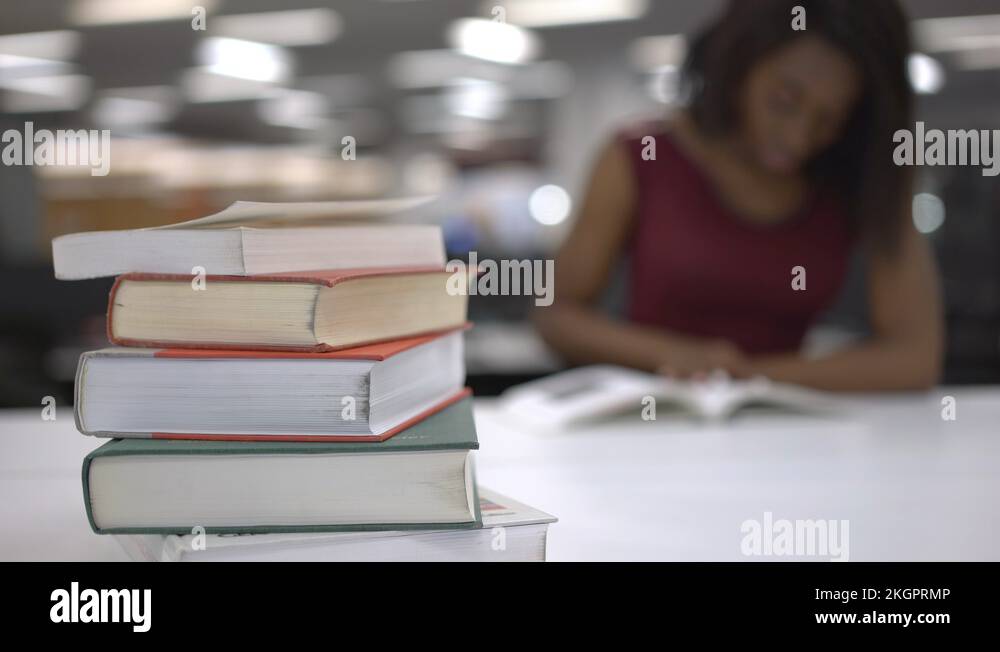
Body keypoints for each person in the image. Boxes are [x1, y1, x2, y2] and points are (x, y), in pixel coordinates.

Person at [535, 0, 943, 392]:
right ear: (740, 63)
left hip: (785, 424)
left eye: (829, 119)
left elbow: (913, 357)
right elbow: (556, 314)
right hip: (655, 418)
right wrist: (676, 355)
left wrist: (751, 377)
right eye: (783, 102)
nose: (798, 138)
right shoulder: (644, 154)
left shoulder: (857, 175)